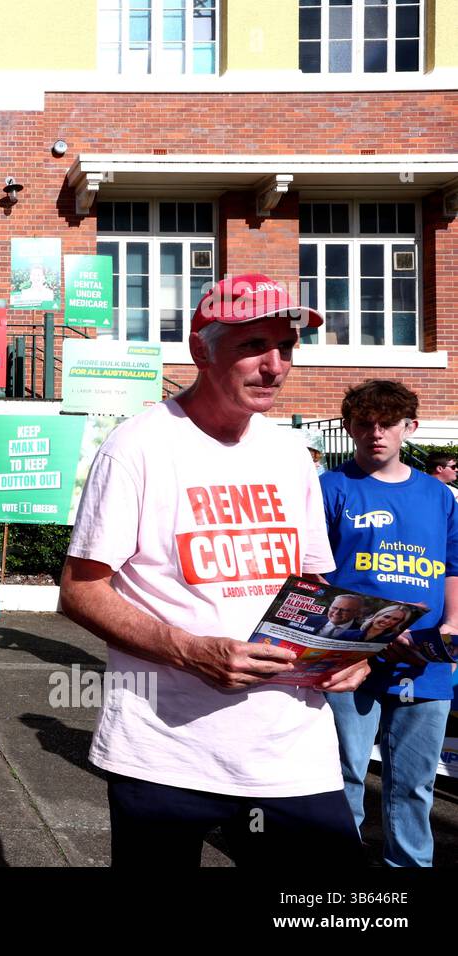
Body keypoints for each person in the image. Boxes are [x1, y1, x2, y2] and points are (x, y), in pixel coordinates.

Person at [58, 273, 366, 867]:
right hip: (166, 751)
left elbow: (311, 585)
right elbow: (80, 592)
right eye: (254, 346)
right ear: (202, 350)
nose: (275, 366)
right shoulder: (137, 447)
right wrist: (189, 650)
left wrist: (341, 649)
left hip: (291, 752)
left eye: (287, 348)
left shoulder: (290, 455)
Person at [321, 379, 458, 867]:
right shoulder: (330, 488)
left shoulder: (438, 495)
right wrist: (372, 628)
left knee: (415, 782)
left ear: (410, 427)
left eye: (387, 424)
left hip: (425, 659)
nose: (376, 433)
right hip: (349, 655)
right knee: (345, 773)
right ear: (349, 427)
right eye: (365, 423)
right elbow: (311, 572)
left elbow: (452, 565)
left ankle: (409, 865)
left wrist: (451, 626)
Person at [341, 604, 412, 643]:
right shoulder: (347, 634)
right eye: (386, 616)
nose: (387, 621)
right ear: (376, 616)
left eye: (395, 619)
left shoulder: (389, 642)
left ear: (398, 623)